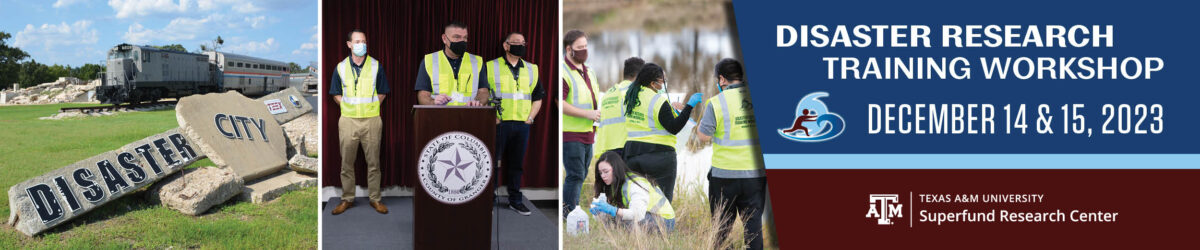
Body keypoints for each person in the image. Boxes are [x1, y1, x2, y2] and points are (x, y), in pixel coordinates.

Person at [696, 59, 767, 249]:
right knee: (753, 228)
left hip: (724, 176)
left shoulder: (716, 102)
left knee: (721, 230)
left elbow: (703, 136)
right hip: (755, 175)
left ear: (721, 79)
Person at [482, 32, 545, 215]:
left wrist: (530, 119)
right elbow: (482, 94)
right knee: (491, 163)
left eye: (523, 42)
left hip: (522, 125)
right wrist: (492, 116)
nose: (521, 45)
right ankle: (488, 200)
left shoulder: (532, 68)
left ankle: (515, 200)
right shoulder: (490, 66)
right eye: (516, 42)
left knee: (517, 164)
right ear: (506, 45)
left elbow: (538, 97)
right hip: (498, 123)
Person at [621, 63, 702, 202]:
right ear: (652, 83)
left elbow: (648, 120)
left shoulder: (630, 97)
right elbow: (674, 127)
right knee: (661, 202)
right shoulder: (657, 100)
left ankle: (638, 223)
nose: (664, 83)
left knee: (637, 199)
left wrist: (672, 111)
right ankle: (660, 224)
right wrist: (689, 106)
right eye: (662, 81)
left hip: (632, 154)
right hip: (658, 157)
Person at [330, 29, 390, 215]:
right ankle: (347, 199)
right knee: (346, 163)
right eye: (357, 41)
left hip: (371, 120)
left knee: (374, 163)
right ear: (349, 44)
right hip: (348, 121)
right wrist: (349, 107)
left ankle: (375, 199)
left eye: (363, 41)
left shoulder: (375, 66)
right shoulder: (340, 67)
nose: (361, 44)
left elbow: (382, 92)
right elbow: (335, 94)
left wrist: (370, 107)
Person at [561, 29, 600, 215]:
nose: (584, 50)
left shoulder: (588, 70)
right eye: (580, 47)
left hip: (588, 132)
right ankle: (569, 214)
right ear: (569, 49)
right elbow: (560, 104)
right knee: (575, 175)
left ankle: (571, 208)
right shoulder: (563, 72)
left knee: (581, 174)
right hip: (571, 133)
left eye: (586, 46)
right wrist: (588, 114)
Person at [589, 151, 676, 232]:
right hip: (647, 216)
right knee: (615, 219)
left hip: (664, 221)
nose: (603, 176)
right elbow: (608, 218)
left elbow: (637, 214)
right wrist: (599, 213)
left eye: (606, 172)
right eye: (600, 173)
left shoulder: (635, 184)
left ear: (616, 169)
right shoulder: (612, 184)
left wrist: (613, 210)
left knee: (624, 222)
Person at [415, 21, 488, 106]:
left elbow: (484, 92)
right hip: (440, 116)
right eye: (457, 37)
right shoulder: (429, 61)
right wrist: (433, 102)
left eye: (465, 38)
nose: (462, 41)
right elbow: (422, 95)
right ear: (444, 39)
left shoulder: (477, 61)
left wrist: (478, 102)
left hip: (468, 116)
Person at [592, 57, 644, 164]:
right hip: (626, 148)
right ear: (639, 75)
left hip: (607, 148)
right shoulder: (635, 92)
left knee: (616, 180)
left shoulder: (609, 93)